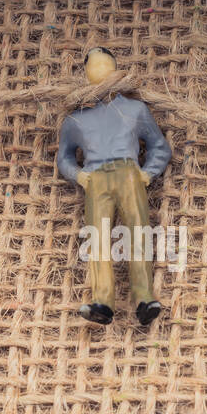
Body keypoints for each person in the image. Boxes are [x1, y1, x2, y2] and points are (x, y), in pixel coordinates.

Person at [57, 48, 171, 326]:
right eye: (94, 65)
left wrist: (147, 174)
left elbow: (159, 146)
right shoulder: (77, 118)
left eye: (105, 64)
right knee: (97, 238)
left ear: (115, 68)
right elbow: (64, 156)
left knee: (138, 232)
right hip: (95, 177)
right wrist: (80, 176)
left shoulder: (135, 109)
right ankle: (103, 302)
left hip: (128, 173)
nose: (100, 69)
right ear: (86, 73)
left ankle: (145, 299)